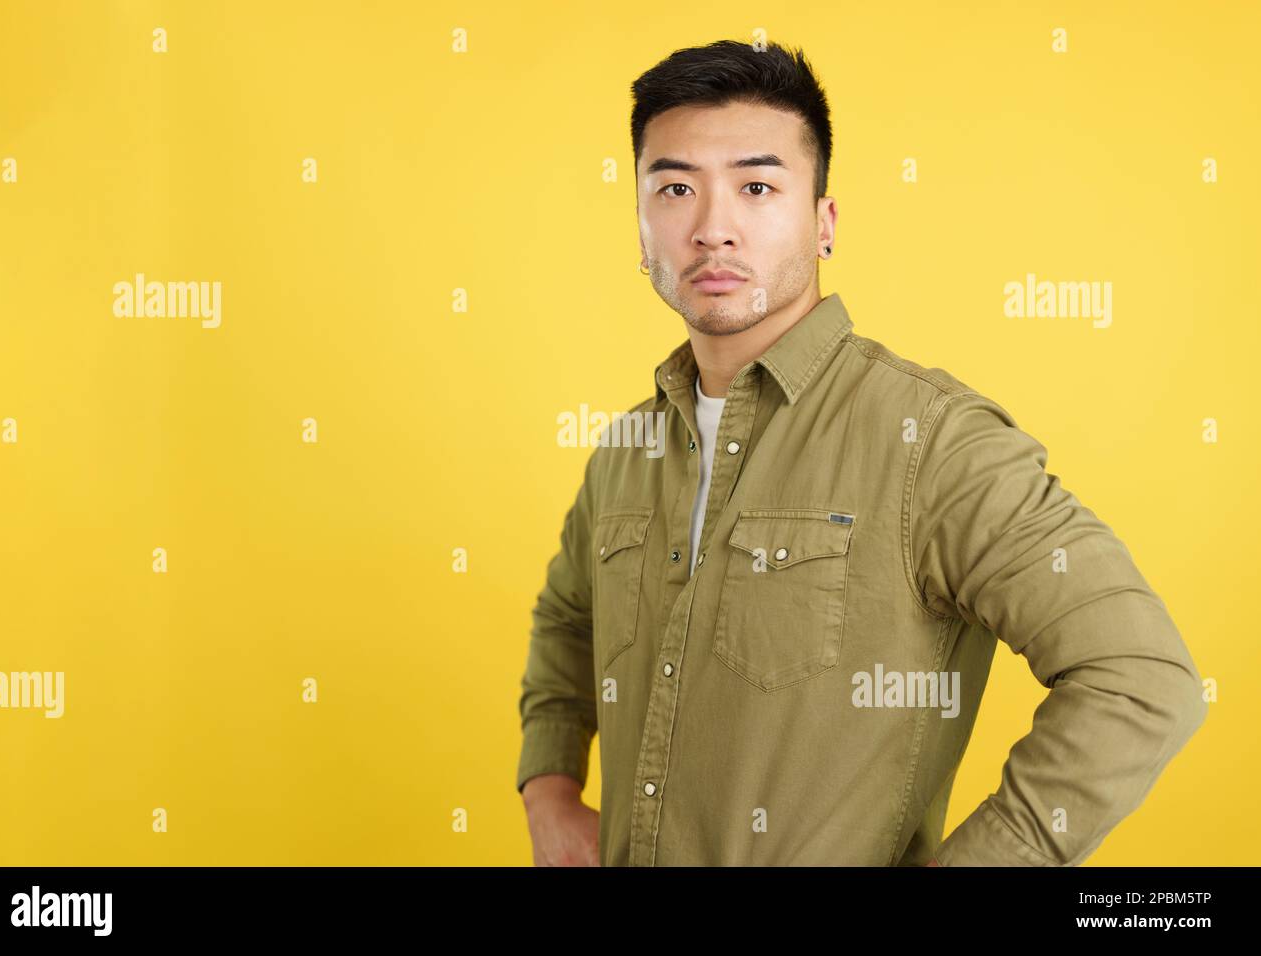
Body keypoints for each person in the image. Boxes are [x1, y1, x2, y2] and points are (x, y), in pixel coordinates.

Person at [516, 38, 1206, 866]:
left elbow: (1141, 677)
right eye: (674, 189)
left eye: (757, 186)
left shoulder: (932, 441)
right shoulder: (625, 447)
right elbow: (568, 618)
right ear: (640, 226)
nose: (712, 228)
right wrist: (549, 785)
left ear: (824, 222)